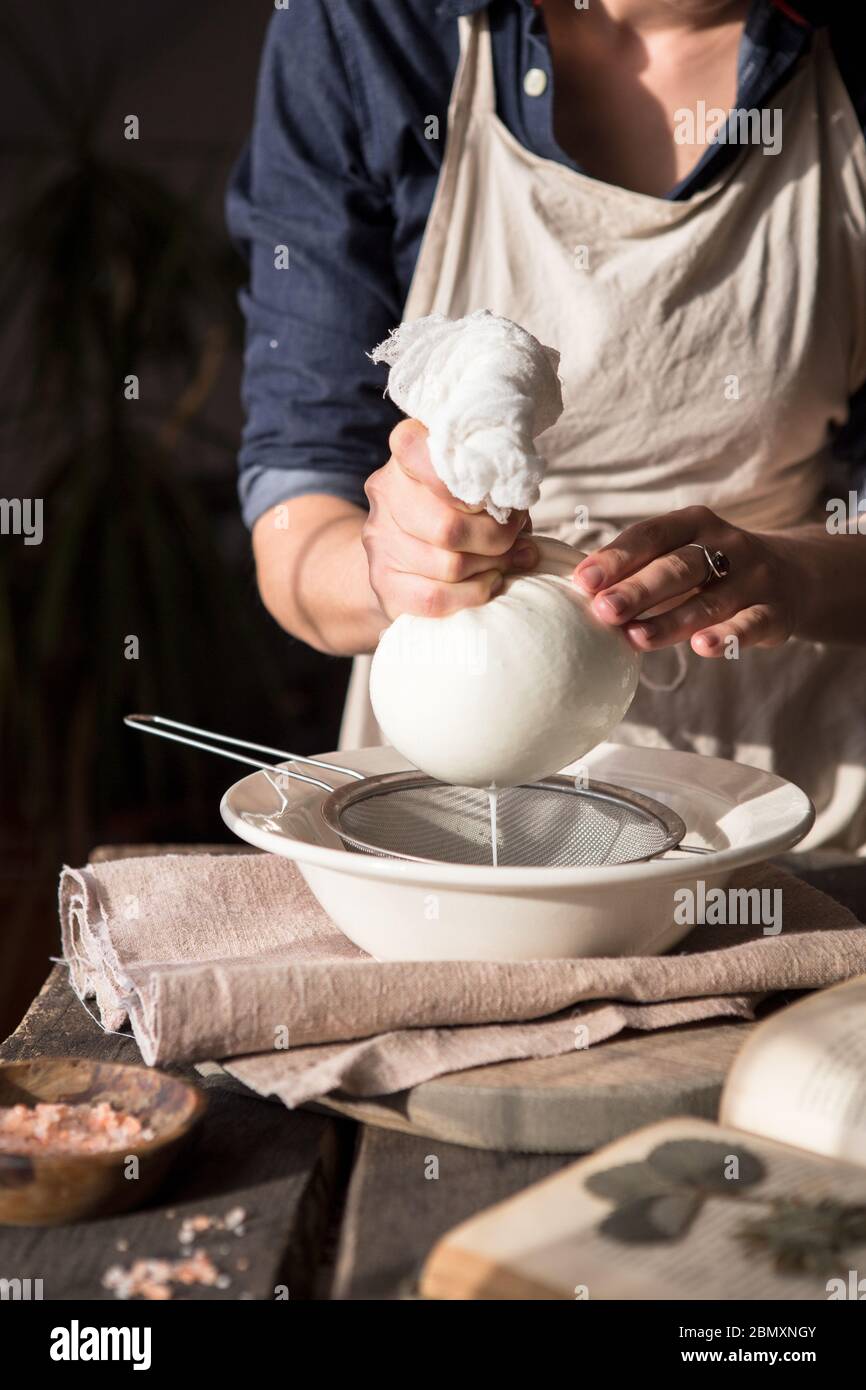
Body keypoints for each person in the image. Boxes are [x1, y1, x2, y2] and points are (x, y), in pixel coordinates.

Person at [227, 0, 866, 849]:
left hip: (780, 806)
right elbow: (295, 513)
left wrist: (792, 573)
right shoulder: (374, 26)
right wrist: (390, 569)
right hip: (441, 803)